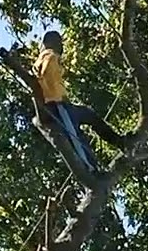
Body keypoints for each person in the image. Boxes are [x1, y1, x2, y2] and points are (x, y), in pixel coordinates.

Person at [33, 30, 127, 173]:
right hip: (58, 105)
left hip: (64, 105)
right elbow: (46, 74)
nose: (62, 46)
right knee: (75, 136)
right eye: (60, 43)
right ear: (51, 42)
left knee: (89, 115)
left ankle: (118, 141)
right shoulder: (49, 55)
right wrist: (55, 95)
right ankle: (92, 168)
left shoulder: (48, 57)